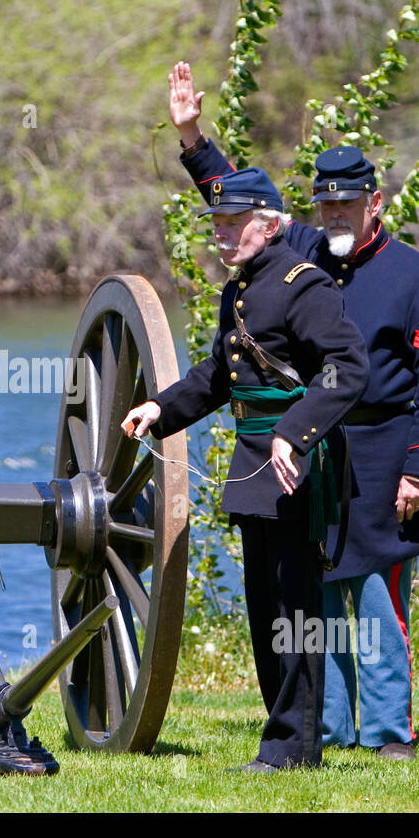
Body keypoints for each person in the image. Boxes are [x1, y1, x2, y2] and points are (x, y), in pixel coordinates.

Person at [167, 60, 419, 759]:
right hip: (315, 452)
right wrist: (192, 137)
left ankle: (391, 735)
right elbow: (237, 206)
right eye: (324, 205)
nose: (333, 216)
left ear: (375, 203)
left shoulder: (415, 277)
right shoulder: (304, 249)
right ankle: (323, 727)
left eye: (347, 206)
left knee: (380, 600)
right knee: (319, 594)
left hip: (387, 453)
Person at [125, 167, 367, 771]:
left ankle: (293, 747)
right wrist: (162, 409)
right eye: (218, 225)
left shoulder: (302, 285)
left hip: (296, 466)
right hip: (253, 464)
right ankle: (287, 742)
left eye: (235, 223)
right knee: (266, 612)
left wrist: (296, 435)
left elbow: (346, 367)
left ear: (270, 223)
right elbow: (216, 378)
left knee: (298, 613)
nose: (224, 235)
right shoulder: (238, 292)